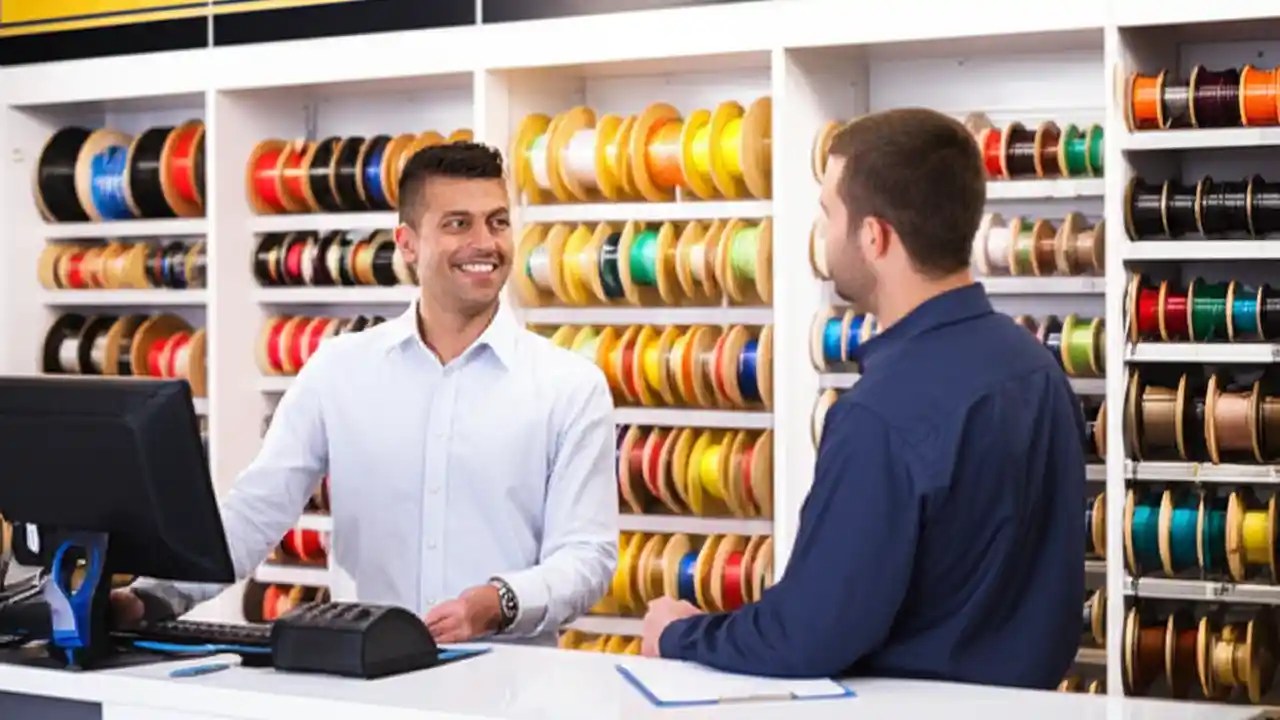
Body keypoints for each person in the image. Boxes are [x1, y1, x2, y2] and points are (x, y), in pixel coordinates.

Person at [640, 108, 1084, 688]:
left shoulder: (880, 415)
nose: (824, 236)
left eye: (829, 214)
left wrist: (678, 633)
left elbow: (810, 635)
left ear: (874, 236)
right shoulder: (1037, 370)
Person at [112, 142, 619, 645]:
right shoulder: (339, 370)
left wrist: (502, 601)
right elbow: (255, 511)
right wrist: (150, 598)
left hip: (510, 687)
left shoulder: (569, 387)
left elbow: (587, 555)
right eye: (457, 223)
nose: (485, 242)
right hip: (365, 679)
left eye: (498, 222)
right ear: (408, 243)